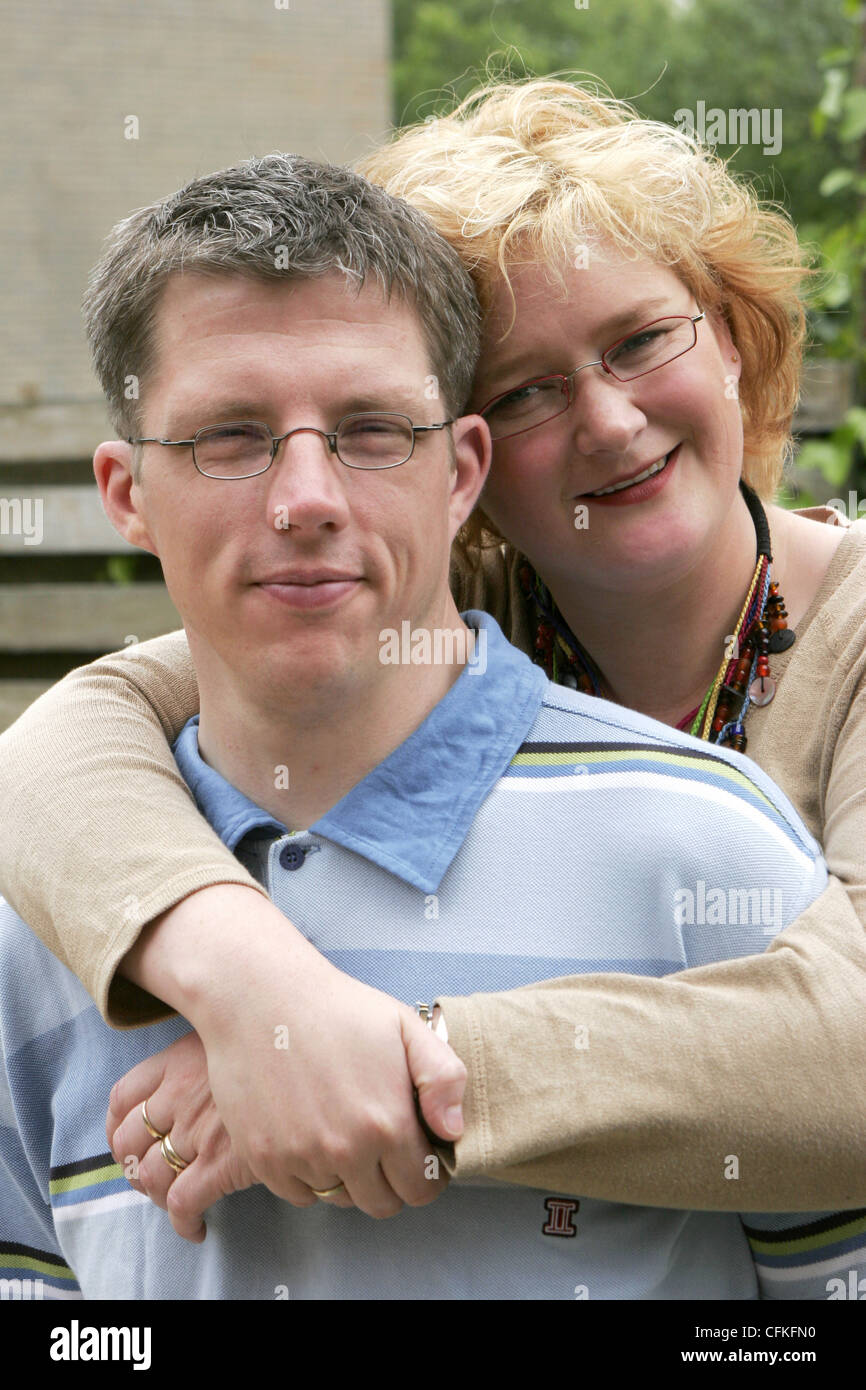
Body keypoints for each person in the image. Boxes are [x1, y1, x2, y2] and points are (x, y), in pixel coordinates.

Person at [2, 79, 866, 1240]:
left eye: (640, 340)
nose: (607, 422)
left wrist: (393, 1067)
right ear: (461, 462)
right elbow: (69, 747)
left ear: (733, 335)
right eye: (527, 392)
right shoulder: (437, 616)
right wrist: (263, 991)